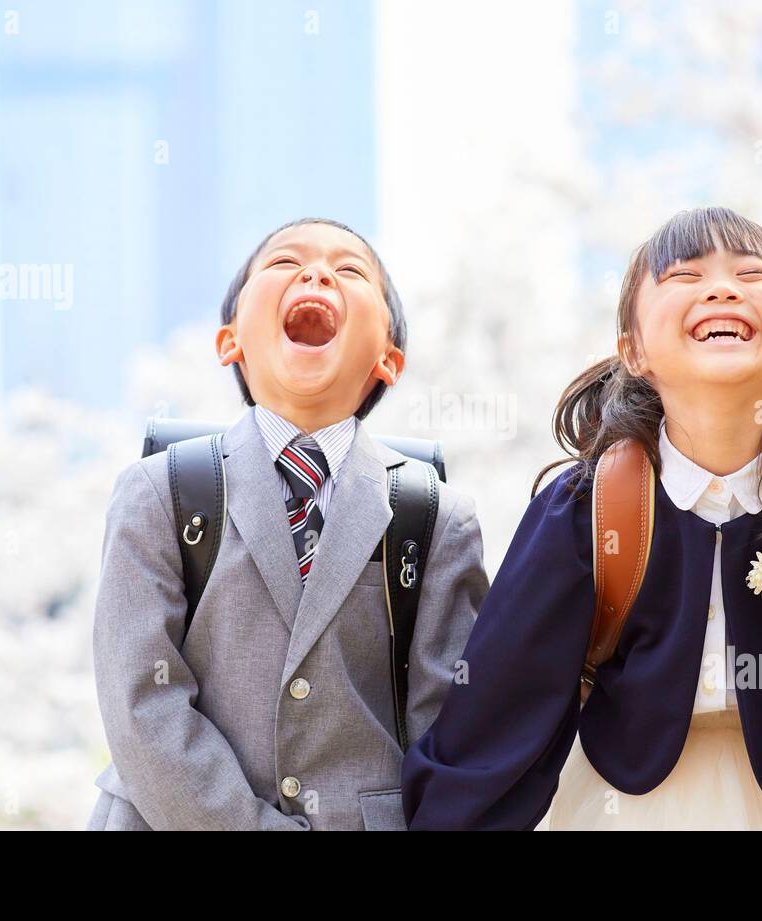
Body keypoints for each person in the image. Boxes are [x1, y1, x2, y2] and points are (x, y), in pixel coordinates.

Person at [401, 206, 762, 831]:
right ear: (634, 350)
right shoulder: (585, 506)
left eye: (752, 274)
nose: (723, 288)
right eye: (686, 276)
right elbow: (499, 715)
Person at [88, 218, 488, 830]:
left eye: (351, 271)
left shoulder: (433, 517)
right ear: (230, 341)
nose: (318, 272)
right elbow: (140, 700)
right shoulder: (160, 493)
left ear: (388, 359)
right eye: (283, 263)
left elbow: (446, 727)